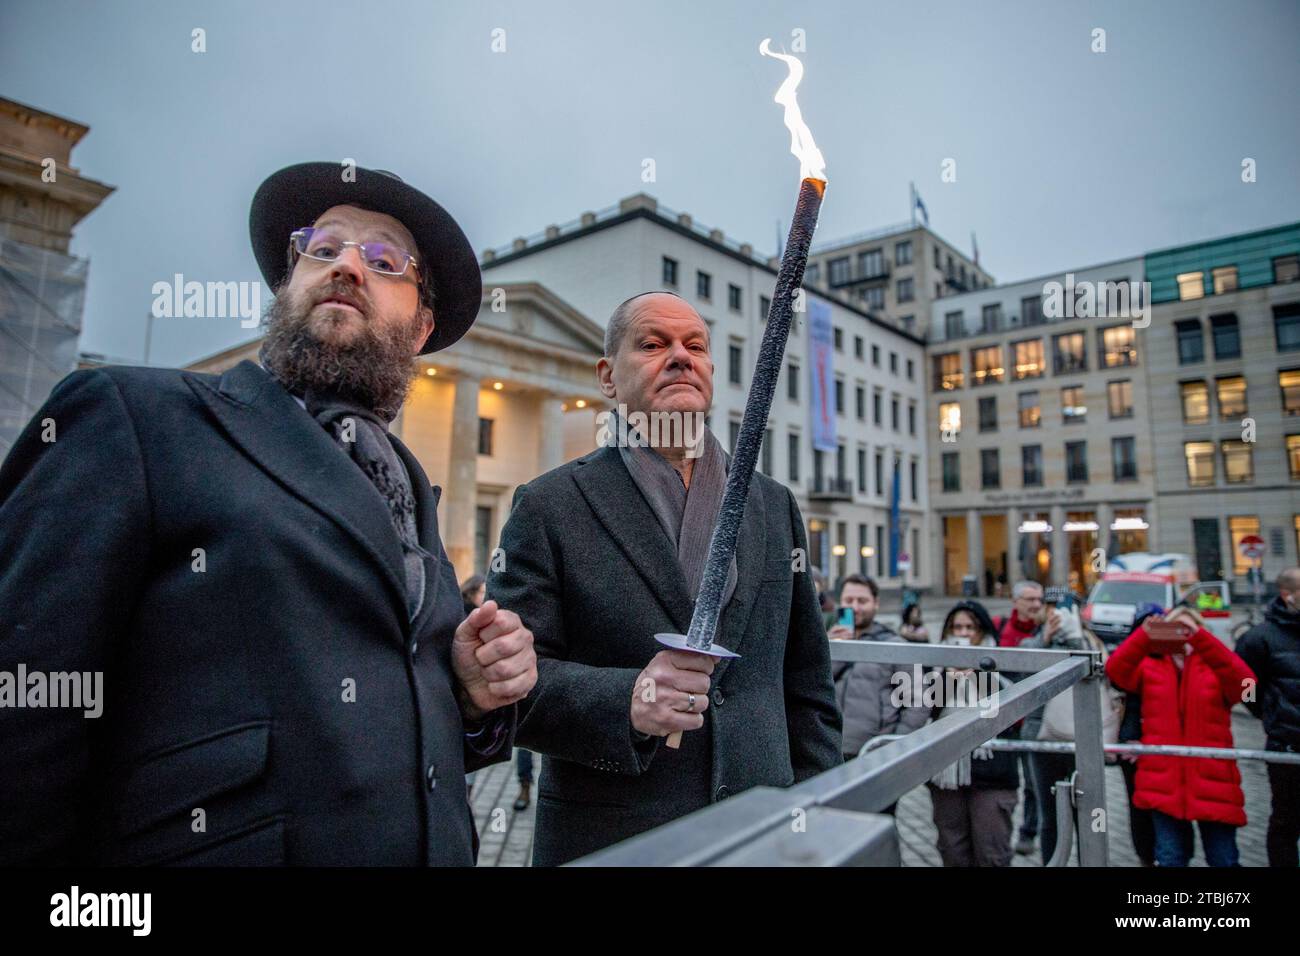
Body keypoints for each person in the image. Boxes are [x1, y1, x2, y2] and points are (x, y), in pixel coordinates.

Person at [0, 162, 538, 866]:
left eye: (384, 260)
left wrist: (463, 698)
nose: (347, 263)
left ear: (421, 328)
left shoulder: (408, 488)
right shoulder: (134, 417)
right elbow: (22, 730)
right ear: (288, 285)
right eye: (322, 246)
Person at [487, 290, 841, 865]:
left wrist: (817, 806)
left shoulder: (772, 504)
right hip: (617, 839)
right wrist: (626, 699)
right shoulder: (551, 506)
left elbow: (808, 682)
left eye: (695, 346)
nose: (681, 356)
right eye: (653, 344)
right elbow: (512, 690)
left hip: (763, 830)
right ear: (608, 376)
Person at [1106, 606, 1256, 867]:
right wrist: (1144, 635)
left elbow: (1246, 685)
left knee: (1223, 858)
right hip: (1163, 782)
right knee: (1170, 857)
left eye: (1187, 629)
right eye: (1174, 629)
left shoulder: (1213, 667)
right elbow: (1116, 670)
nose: (1181, 635)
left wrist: (1202, 640)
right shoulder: (1151, 667)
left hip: (1213, 780)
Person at [926, 600, 1021, 867]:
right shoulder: (935, 663)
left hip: (993, 774)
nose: (964, 633)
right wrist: (947, 677)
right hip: (946, 773)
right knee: (952, 849)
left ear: (983, 630)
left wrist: (980, 673)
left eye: (970, 627)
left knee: (992, 852)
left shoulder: (1003, 659)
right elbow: (924, 709)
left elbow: (1011, 710)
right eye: (957, 627)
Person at [829, 575, 929, 804]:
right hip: (830, 752)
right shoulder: (826, 642)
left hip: (874, 753)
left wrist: (893, 742)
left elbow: (918, 701)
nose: (854, 607)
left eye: (862, 601)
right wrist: (831, 649)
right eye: (849, 600)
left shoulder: (894, 646)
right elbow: (811, 686)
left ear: (875, 604)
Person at [1235, 567, 1300, 866]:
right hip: (1286, 748)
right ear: (1288, 595)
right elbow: (1245, 686)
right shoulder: (1259, 639)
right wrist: (1270, 714)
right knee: (1286, 822)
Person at [996, 580, 1052, 855]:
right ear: (1015, 601)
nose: (1035, 605)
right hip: (1004, 719)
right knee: (1007, 780)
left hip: (1033, 720)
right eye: (1029, 599)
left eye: (1039, 599)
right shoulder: (1000, 627)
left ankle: (1028, 831)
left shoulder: (1048, 630)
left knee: (1033, 783)